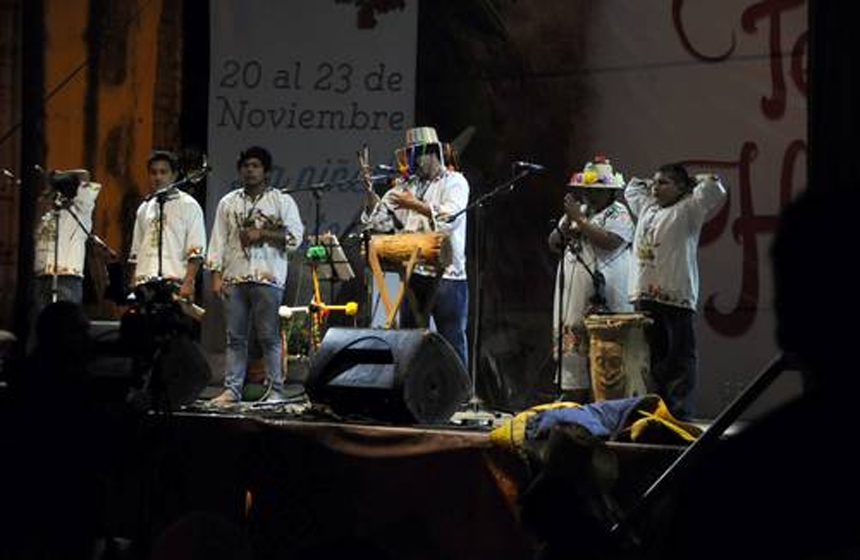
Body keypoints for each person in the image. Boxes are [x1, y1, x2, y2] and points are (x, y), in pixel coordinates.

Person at [624, 164, 726, 419]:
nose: (656, 187)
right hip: (645, 294)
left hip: (675, 295)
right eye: (656, 183)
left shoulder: (690, 208)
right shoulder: (648, 207)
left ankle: (679, 413)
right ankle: (657, 412)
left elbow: (715, 187)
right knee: (653, 357)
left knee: (679, 357)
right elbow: (631, 188)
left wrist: (692, 180)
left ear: (681, 188)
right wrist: (653, 183)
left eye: (664, 183)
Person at [361, 126, 470, 366]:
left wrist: (414, 204)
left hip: (447, 275)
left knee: (451, 338)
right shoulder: (407, 185)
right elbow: (380, 220)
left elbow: (450, 217)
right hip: (413, 272)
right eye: (410, 155)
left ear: (433, 153)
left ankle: (459, 394)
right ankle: (413, 393)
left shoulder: (455, 182)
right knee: (410, 338)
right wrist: (369, 193)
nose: (414, 161)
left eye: (418, 154)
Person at [206, 146, 304, 405]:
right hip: (235, 277)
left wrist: (263, 234)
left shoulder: (281, 201)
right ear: (240, 170)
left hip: (267, 276)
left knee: (268, 336)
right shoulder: (229, 202)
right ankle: (232, 390)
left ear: (266, 171)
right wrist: (216, 274)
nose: (250, 170)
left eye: (256, 166)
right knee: (235, 337)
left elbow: (295, 239)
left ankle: (276, 390)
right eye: (246, 166)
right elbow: (218, 240)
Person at [548, 156, 634, 402]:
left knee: (605, 346)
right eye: (587, 189)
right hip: (573, 289)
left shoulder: (619, 213)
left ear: (610, 192)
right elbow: (553, 242)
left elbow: (609, 241)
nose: (589, 194)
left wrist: (579, 220)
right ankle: (573, 392)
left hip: (605, 291)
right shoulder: (580, 211)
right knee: (573, 341)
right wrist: (568, 222)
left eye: (597, 190)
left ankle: (605, 399)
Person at [129, 150, 206, 299]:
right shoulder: (145, 207)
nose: (158, 177)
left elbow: (196, 250)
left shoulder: (189, 205)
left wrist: (189, 282)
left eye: (163, 172)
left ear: (175, 175)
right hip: (145, 281)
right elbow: (136, 250)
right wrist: (134, 280)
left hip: (176, 282)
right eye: (153, 172)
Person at [33, 168, 101, 314]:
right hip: (41, 277)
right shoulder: (46, 213)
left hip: (68, 278)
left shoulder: (81, 210)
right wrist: (48, 192)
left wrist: (57, 175)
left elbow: (84, 175)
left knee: (66, 323)